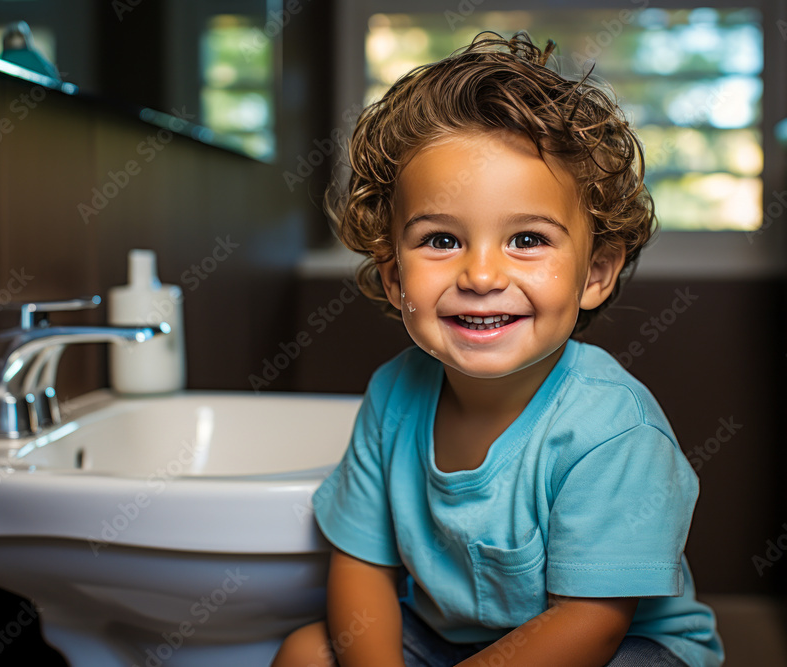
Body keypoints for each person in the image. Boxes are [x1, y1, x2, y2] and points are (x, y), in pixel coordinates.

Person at [272, 31, 724, 667]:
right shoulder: (392, 397)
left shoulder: (613, 431)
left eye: (528, 240)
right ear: (395, 277)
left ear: (595, 272)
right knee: (307, 652)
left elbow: (588, 623)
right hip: (447, 641)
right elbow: (362, 566)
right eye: (440, 241)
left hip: (620, 647)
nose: (481, 276)